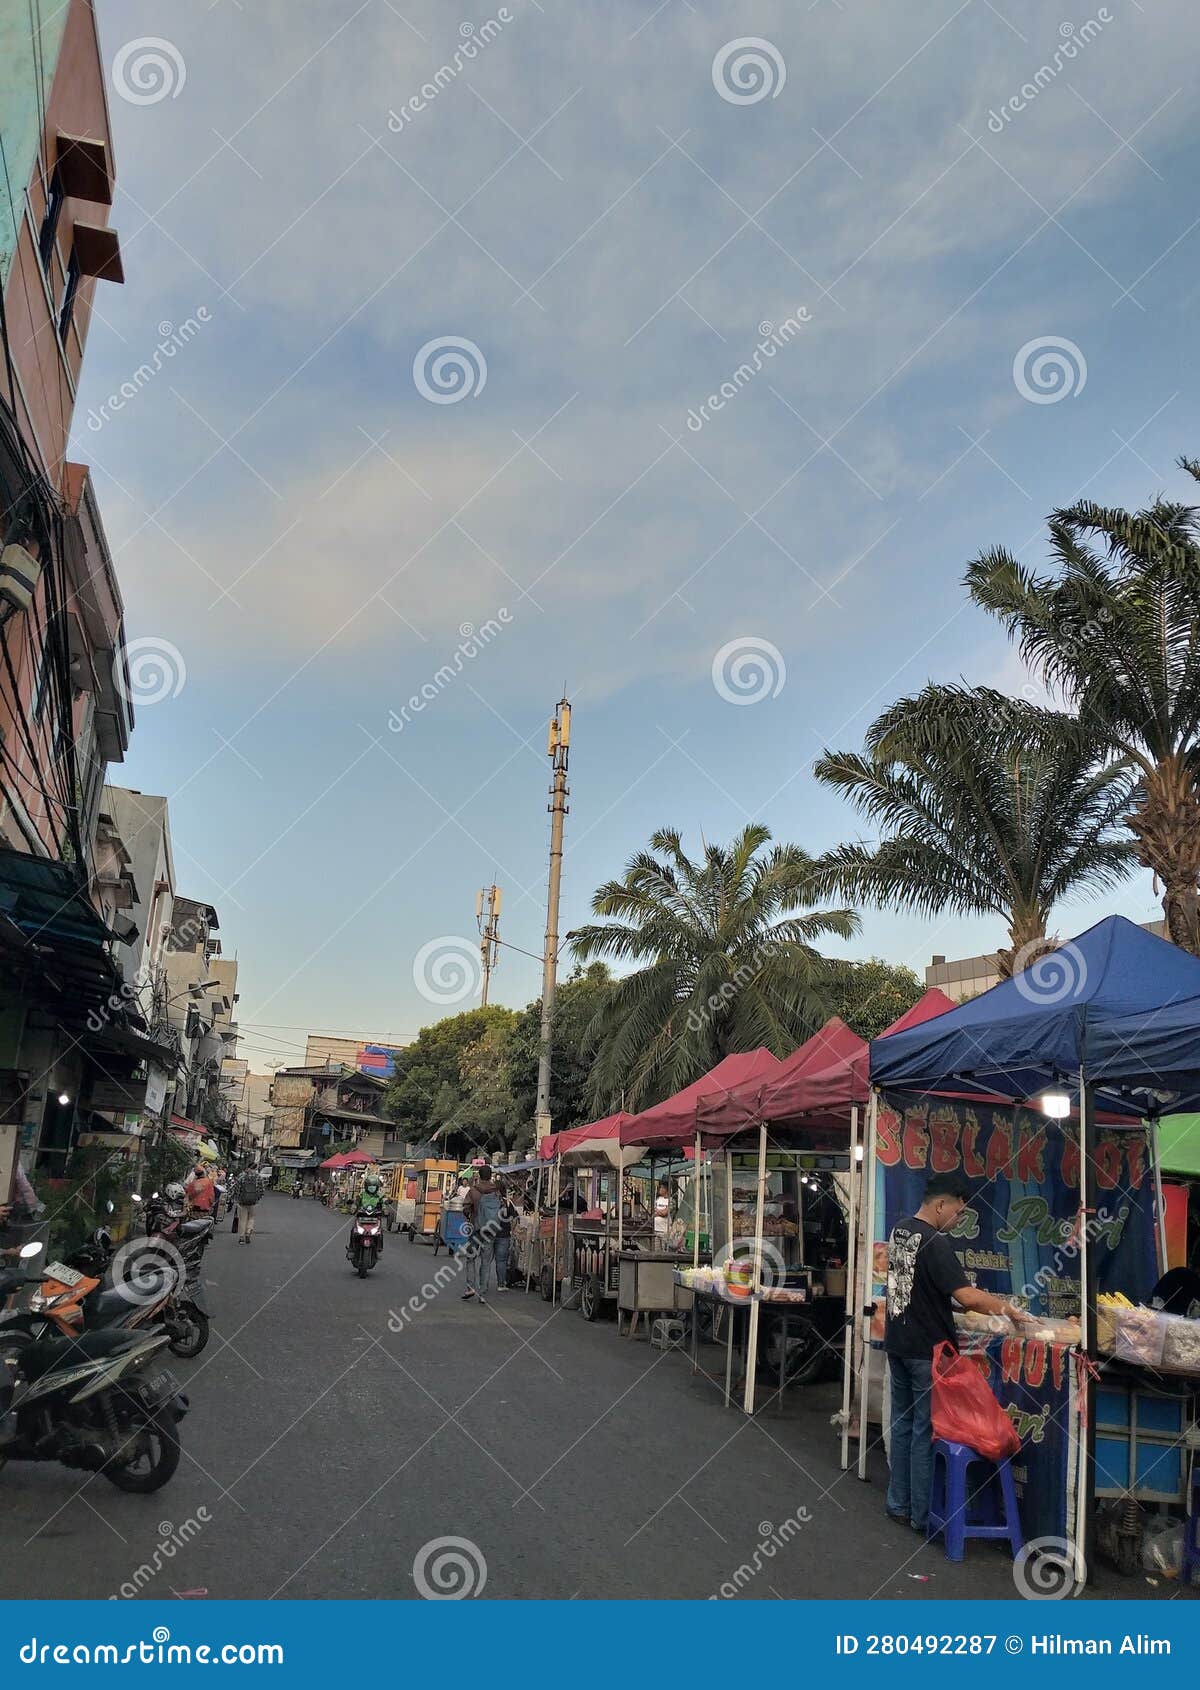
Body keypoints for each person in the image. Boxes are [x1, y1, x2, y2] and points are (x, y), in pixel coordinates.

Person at [884, 1172, 1029, 1534]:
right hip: (925, 1351)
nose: (958, 1219)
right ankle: (920, 1516)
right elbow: (966, 1296)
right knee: (922, 1430)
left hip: (898, 1343)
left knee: (902, 1425)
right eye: (958, 1212)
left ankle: (898, 1504)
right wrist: (1009, 1309)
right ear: (940, 1205)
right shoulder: (935, 1242)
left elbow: (919, 1287)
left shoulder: (900, 1231)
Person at [461, 1164, 502, 1305]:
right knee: (486, 1261)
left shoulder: (473, 1190)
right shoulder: (496, 1192)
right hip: (490, 1230)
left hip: (476, 1229)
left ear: (479, 1175)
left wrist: (470, 1215)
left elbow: (466, 1208)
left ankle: (470, 1287)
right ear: (490, 1176)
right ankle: (482, 1293)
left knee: (470, 1258)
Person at [232, 1164, 266, 1244]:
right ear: (256, 1168)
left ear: (248, 1168)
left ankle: (241, 1237)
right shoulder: (258, 1178)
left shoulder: (242, 1177)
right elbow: (262, 1190)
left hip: (242, 1202)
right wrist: (257, 1198)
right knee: (251, 1217)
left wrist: (237, 1199)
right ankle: (248, 1232)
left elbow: (236, 1189)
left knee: (242, 1219)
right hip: (253, 1202)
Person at [493, 1182, 518, 1292]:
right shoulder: (507, 1202)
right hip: (504, 1235)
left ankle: (482, 1284)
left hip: (489, 1235)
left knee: (486, 1261)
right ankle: (501, 1284)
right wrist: (512, 1229)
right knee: (501, 1261)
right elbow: (515, 1218)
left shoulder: (487, 1202)